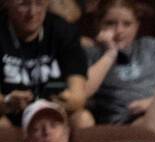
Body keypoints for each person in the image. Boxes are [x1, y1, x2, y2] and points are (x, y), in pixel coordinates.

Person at [84, 0, 155, 136]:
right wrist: (110, 53)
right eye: (110, 23)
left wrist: (152, 103)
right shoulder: (91, 53)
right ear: (98, 25)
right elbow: (83, 91)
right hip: (124, 124)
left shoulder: (150, 46)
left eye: (127, 24)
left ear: (136, 26)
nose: (119, 30)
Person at [0, 0, 89, 128]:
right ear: (8, 3)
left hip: (54, 111)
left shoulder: (63, 30)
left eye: (39, 4)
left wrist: (61, 101)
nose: (32, 12)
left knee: (83, 119)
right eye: (23, 4)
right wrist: (7, 102)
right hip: (11, 114)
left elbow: (78, 97)